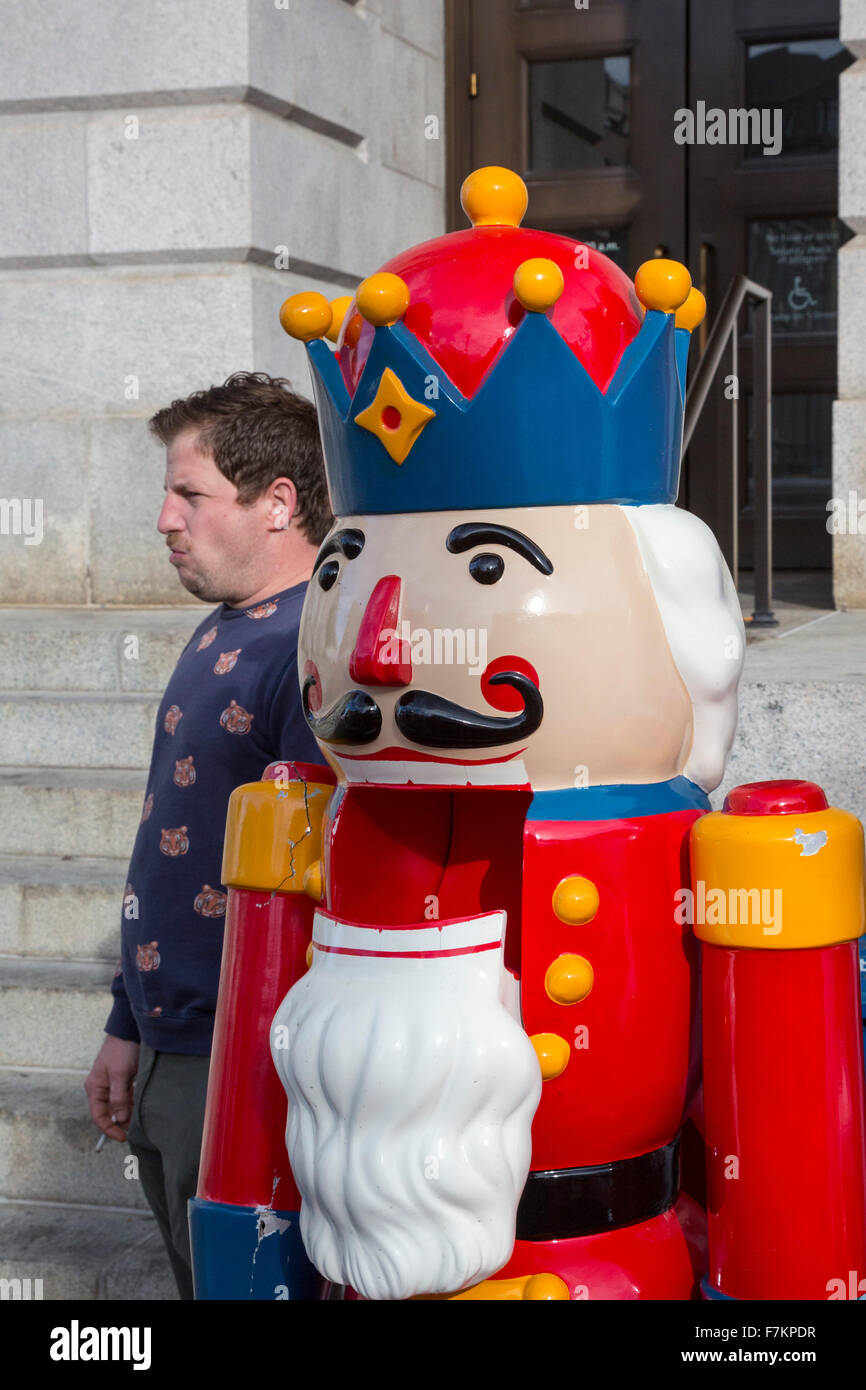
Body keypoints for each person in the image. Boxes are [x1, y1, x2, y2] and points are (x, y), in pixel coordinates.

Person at [84, 371, 331, 1299]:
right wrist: (126, 1026)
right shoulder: (223, 628)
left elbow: (320, 888)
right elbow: (169, 842)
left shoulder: (314, 648)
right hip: (169, 1042)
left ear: (278, 504)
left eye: (189, 494)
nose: (164, 519)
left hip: (246, 1059)